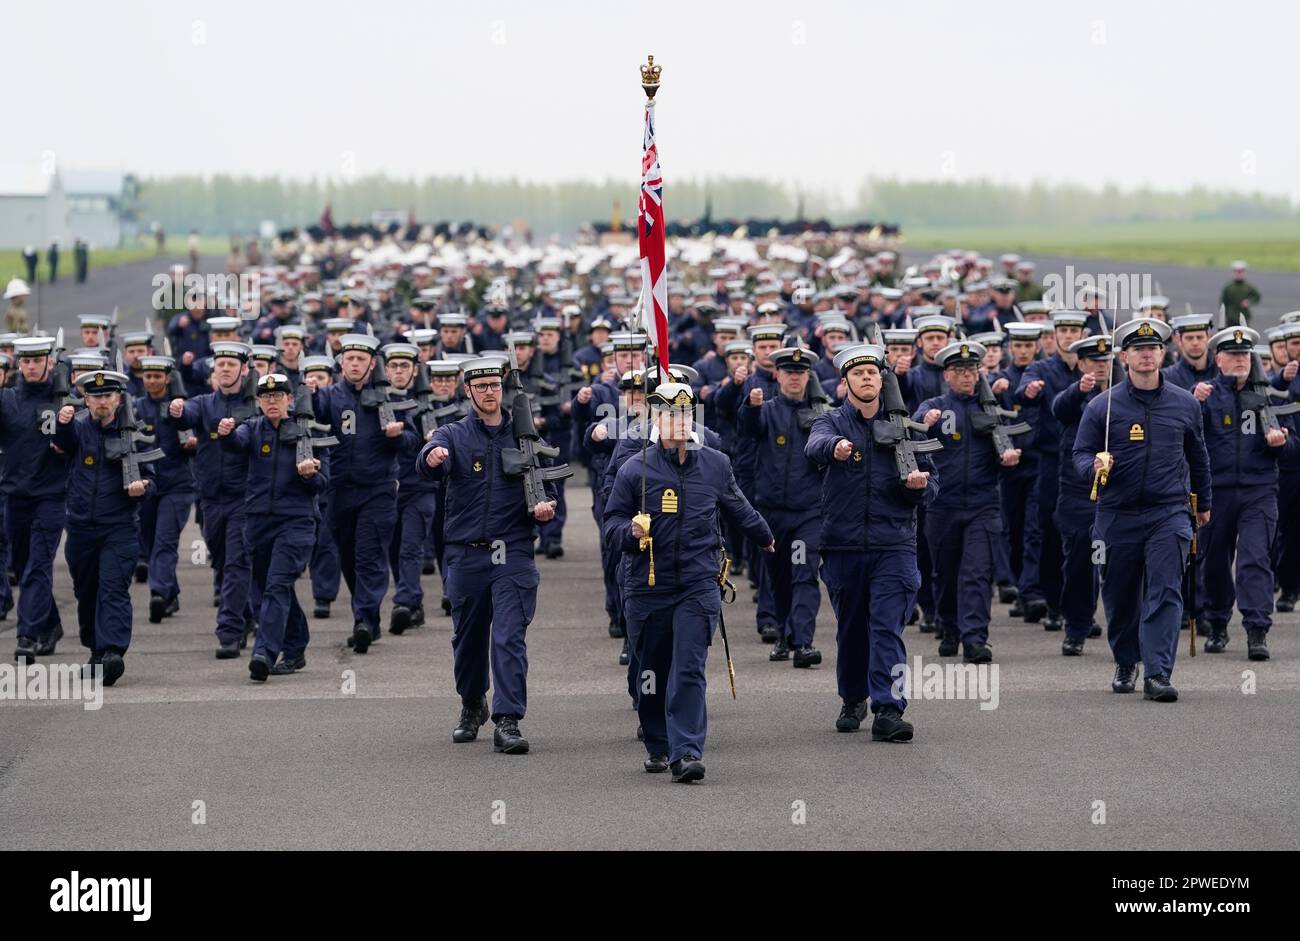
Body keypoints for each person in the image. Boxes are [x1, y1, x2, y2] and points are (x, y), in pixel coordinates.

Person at [603, 381, 774, 781]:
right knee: (653, 669)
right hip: (648, 585)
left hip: (699, 583)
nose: (678, 422)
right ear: (655, 419)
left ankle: (686, 752)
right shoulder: (635, 469)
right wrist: (629, 532)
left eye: (684, 414)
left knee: (689, 667)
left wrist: (765, 537)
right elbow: (611, 523)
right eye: (668, 414)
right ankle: (658, 741)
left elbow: (738, 505)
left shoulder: (715, 463)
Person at [419, 357, 557, 754]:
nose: (489, 392)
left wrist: (546, 508)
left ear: (503, 389)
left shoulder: (526, 436)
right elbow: (430, 454)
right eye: (480, 387)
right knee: (469, 638)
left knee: (509, 635)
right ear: (468, 392)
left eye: (494, 386)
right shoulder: (455, 434)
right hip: (467, 553)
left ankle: (508, 719)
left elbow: (549, 489)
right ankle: (471, 703)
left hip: (513, 550)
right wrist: (431, 457)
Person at [1072, 319, 1212, 702]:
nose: (1146, 354)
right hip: (1116, 514)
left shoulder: (1184, 403)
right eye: (1138, 349)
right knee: (1119, 595)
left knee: (1165, 591)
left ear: (1164, 354)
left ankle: (1158, 673)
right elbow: (1079, 455)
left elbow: (1198, 457)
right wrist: (1094, 467)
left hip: (1169, 512)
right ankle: (1126, 659)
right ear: (1124, 356)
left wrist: (1205, 503)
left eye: (1153, 348)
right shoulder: (1103, 405)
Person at [806, 344, 938, 741]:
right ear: (844, 383)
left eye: (872, 373)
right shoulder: (830, 423)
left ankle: (888, 709)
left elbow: (934, 485)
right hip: (843, 546)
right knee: (852, 630)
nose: (866, 378)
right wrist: (836, 448)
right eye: (858, 374)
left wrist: (918, 488)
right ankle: (852, 697)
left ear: (882, 380)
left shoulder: (906, 426)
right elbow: (813, 447)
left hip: (893, 544)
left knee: (886, 628)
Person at [915, 341, 1020, 662]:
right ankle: (949, 626)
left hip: (982, 503)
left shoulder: (989, 408)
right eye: (959, 370)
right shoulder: (934, 405)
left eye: (972, 370)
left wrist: (1009, 453)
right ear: (947, 374)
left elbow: (1006, 439)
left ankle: (975, 638)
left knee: (976, 572)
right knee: (944, 573)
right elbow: (912, 432)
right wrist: (924, 422)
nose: (966, 376)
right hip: (942, 504)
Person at [218, 373, 324, 680]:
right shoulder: (253, 429)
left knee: (277, 585)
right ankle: (295, 647)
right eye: (266, 397)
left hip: (296, 522)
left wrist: (309, 475)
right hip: (259, 522)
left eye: (278, 396)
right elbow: (236, 445)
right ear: (258, 401)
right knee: (271, 588)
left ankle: (264, 651)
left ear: (290, 400)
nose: (272, 402)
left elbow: (323, 483)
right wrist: (225, 434)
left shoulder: (309, 433)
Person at [54, 370, 155, 686]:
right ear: (86, 399)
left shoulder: (133, 431)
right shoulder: (79, 428)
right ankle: (96, 652)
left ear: (119, 398)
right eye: (95, 396)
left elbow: (152, 475)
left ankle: (112, 651)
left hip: (119, 527)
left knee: (112, 587)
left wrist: (143, 486)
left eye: (108, 396)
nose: (101, 402)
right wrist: (63, 422)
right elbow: (62, 443)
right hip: (81, 527)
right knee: (87, 592)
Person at [1197, 326, 1291, 660]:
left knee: (1255, 558)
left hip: (1259, 489)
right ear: (1218, 359)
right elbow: (1186, 440)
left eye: (1244, 355)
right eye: (1233, 355)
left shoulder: (1269, 394)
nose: (1240, 360)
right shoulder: (1205, 396)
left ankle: (1256, 629)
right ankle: (1218, 623)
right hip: (1217, 491)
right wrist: (1194, 403)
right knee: (1216, 561)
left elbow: (1291, 441)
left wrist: (1281, 443)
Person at [313, 334, 411, 653]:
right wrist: (308, 395)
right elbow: (308, 422)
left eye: (361, 359)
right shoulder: (328, 397)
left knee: (369, 555)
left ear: (372, 364)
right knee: (347, 556)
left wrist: (397, 437)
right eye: (349, 359)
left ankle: (364, 620)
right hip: (338, 490)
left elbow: (413, 442)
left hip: (378, 490)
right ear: (341, 363)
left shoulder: (389, 398)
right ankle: (367, 614)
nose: (355, 364)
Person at [738, 347, 825, 666]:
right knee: (777, 578)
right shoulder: (767, 410)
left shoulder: (822, 414)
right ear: (777, 375)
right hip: (771, 512)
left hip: (808, 513)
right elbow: (747, 430)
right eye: (788, 372)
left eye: (800, 373)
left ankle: (803, 642)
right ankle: (786, 636)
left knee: (803, 573)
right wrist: (750, 406)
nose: (794, 378)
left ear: (808, 377)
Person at [170, 341, 256, 659]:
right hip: (210, 499)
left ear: (244, 370)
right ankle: (246, 616)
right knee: (221, 564)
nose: (225, 369)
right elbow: (186, 415)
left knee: (236, 563)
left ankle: (229, 632)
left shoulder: (255, 404)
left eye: (231, 365)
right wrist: (177, 411)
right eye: (220, 365)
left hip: (244, 497)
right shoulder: (204, 403)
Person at [3, 337, 71, 662]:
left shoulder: (64, 404)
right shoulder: (7, 401)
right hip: (15, 496)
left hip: (51, 497)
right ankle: (51, 624)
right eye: (25, 361)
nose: (31, 366)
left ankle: (27, 635)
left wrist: (66, 442)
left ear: (49, 362)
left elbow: (80, 441)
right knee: (20, 565)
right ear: (18, 364)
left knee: (38, 566)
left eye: (37, 360)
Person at [1050, 336, 1113, 655]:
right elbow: (1058, 409)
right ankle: (1076, 626)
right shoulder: (1075, 395)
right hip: (1078, 492)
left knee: (1117, 564)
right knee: (1078, 563)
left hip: (1117, 493)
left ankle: (1121, 628)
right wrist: (1079, 389)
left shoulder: (1124, 395)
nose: (1101, 366)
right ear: (1081, 364)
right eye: (1094, 361)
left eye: (1106, 361)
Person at [135, 355, 197, 623]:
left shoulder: (180, 407)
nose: (152, 381)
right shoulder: (134, 408)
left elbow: (195, 431)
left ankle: (158, 593)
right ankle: (171, 593)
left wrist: (192, 439)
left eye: (157, 376)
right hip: (148, 485)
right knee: (148, 540)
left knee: (165, 540)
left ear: (168, 379)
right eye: (148, 376)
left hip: (177, 484)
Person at [1220, 261, 1261, 325]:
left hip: (1244, 316)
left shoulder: (1248, 287)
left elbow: (1257, 297)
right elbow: (1223, 303)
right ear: (1233, 272)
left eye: (1241, 272)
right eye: (1236, 272)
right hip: (1231, 317)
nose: (1239, 274)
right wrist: (1224, 315)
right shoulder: (1228, 287)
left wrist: (1249, 301)